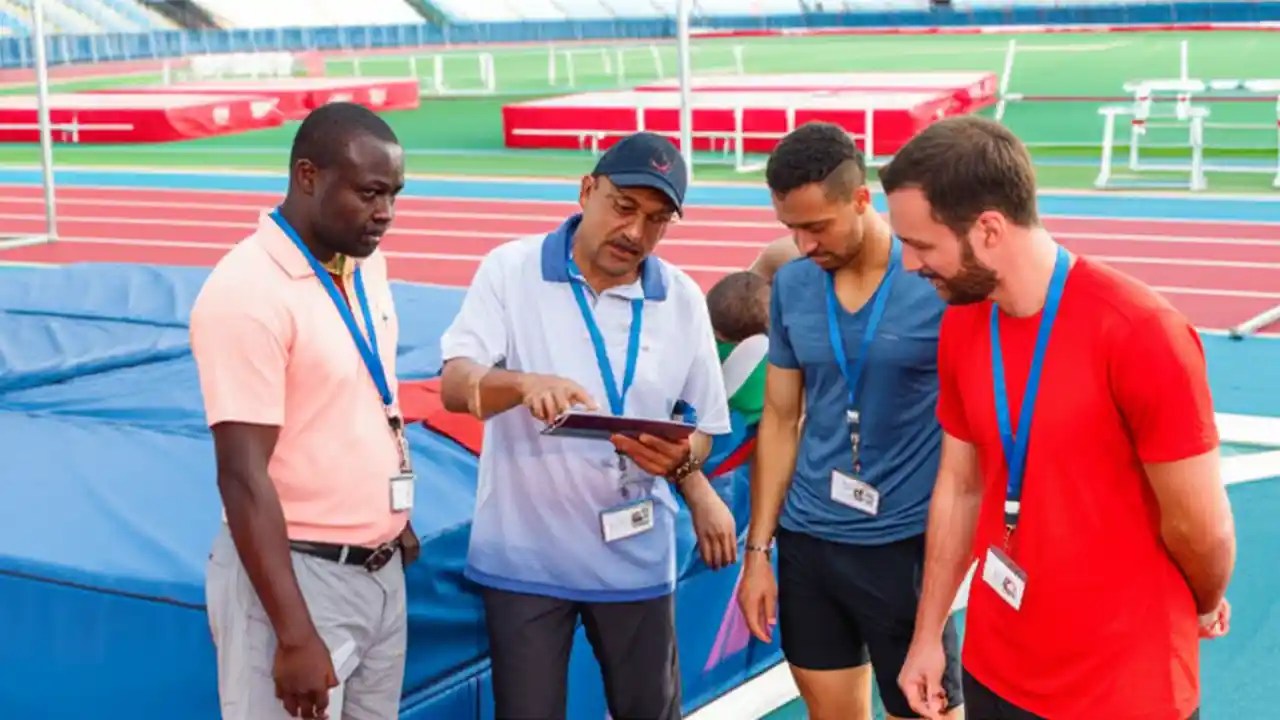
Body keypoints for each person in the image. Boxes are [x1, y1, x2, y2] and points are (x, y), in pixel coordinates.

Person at [885, 115, 1236, 720]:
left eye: (921, 244)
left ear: (989, 228)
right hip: (995, 670)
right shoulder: (963, 321)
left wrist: (1201, 601)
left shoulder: (1142, 333)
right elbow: (960, 487)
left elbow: (1202, 530)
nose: (910, 265)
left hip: (1122, 691)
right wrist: (927, 635)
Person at [437, 131, 736, 720]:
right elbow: (455, 385)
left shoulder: (679, 298)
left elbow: (702, 424)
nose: (635, 232)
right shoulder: (510, 269)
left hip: (638, 558)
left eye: (656, 220)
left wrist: (685, 464)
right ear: (586, 190)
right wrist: (522, 384)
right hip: (525, 557)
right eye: (624, 207)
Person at [190, 102, 417, 720]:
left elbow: (367, 397)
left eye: (394, 195)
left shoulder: (364, 265)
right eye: (370, 193)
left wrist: (389, 510)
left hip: (379, 566)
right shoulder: (246, 293)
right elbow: (242, 475)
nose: (386, 214)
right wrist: (293, 633)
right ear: (308, 176)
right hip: (298, 577)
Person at [737, 121, 964, 720]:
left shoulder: (935, 283)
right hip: (809, 541)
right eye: (790, 228)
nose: (804, 245)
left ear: (863, 200)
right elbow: (782, 418)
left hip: (904, 547)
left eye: (816, 227)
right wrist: (758, 552)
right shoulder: (792, 285)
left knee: (928, 714)